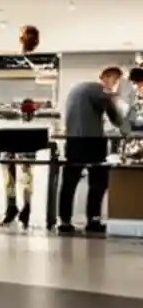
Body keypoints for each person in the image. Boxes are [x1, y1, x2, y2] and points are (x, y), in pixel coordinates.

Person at [57, 66, 125, 234]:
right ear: (106, 77)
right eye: (115, 80)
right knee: (98, 180)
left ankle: (64, 221)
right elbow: (114, 116)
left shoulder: (77, 89)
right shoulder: (98, 89)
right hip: (92, 141)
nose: (115, 85)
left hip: (72, 140)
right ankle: (93, 220)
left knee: (69, 182)